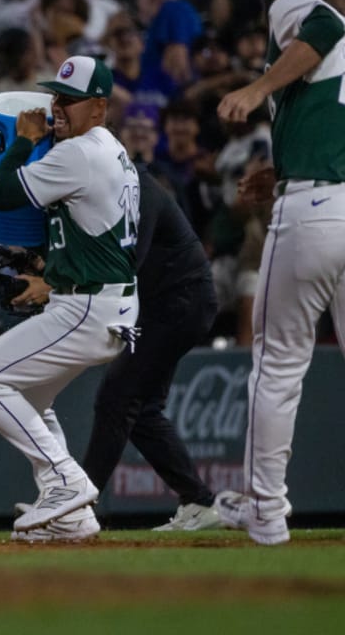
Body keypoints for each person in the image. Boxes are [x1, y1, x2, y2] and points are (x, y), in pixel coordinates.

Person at [0, 56, 140, 543]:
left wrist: (22, 141)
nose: (57, 106)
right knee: (31, 398)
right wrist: (42, 268)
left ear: (99, 108)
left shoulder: (78, 152)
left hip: (88, 308)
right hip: (103, 301)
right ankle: (72, 517)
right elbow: (87, 235)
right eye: (56, 96)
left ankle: (66, 480)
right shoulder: (109, 150)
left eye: (70, 100)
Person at [215, 0, 345, 545]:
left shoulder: (296, 6)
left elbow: (323, 26)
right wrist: (284, 167)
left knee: (277, 365)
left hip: (313, 215)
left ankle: (265, 510)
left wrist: (257, 88)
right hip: (333, 195)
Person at [75, 166, 225, 531]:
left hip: (180, 300)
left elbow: (125, 265)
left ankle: (76, 507)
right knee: (140, 410)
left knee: (116, 397)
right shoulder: (116, 185)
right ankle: (198, 500)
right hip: (167, 302)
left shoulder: (138, 189)